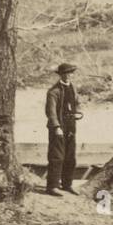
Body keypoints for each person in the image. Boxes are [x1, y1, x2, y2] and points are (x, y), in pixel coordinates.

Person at [44, 62, 81, 196]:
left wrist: (78, 112)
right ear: (61, 75)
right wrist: (56, 126)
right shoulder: (54, 91)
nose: (68, 76)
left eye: (71, 73)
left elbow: (76, 102)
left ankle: (67, 184)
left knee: (70, 156)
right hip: (58, 127)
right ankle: (52, 186)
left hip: (71, 125)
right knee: (57, 157)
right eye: (66, 73)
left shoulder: (73, 87)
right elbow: (50, 111)